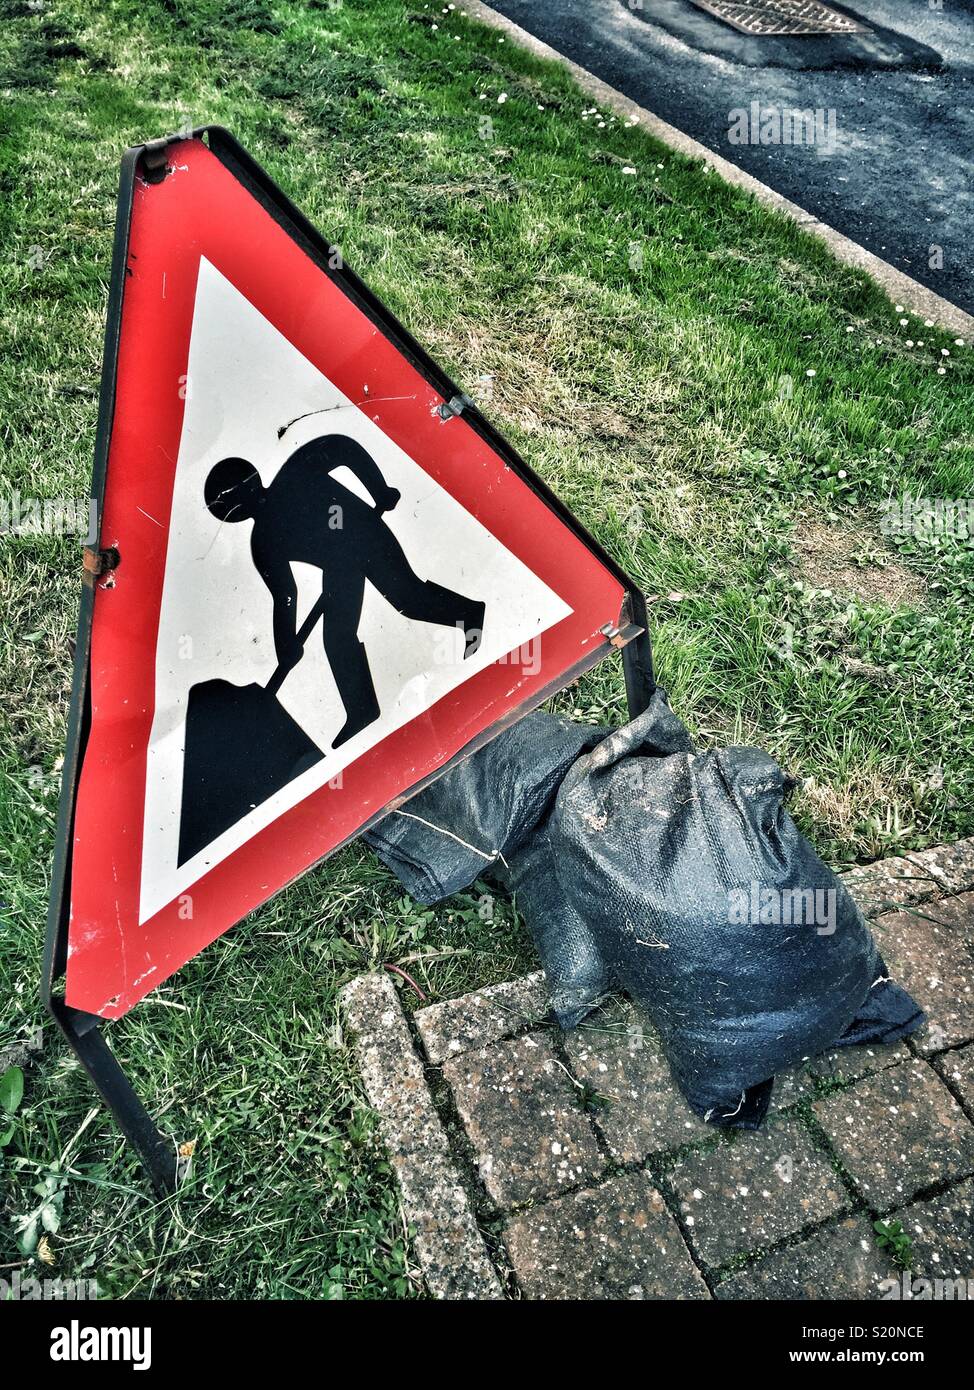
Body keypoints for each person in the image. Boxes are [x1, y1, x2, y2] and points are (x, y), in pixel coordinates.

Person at [204, 435, 485, 749]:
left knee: (407, 599)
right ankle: (362, 709)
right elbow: (285, 595)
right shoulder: (263, 543)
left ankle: (469, 613)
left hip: (363, 534)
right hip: (339, 566)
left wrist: (379, 489)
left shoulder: (293, 476)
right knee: (337, 638)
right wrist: (286, 646)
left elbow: (342, 448)